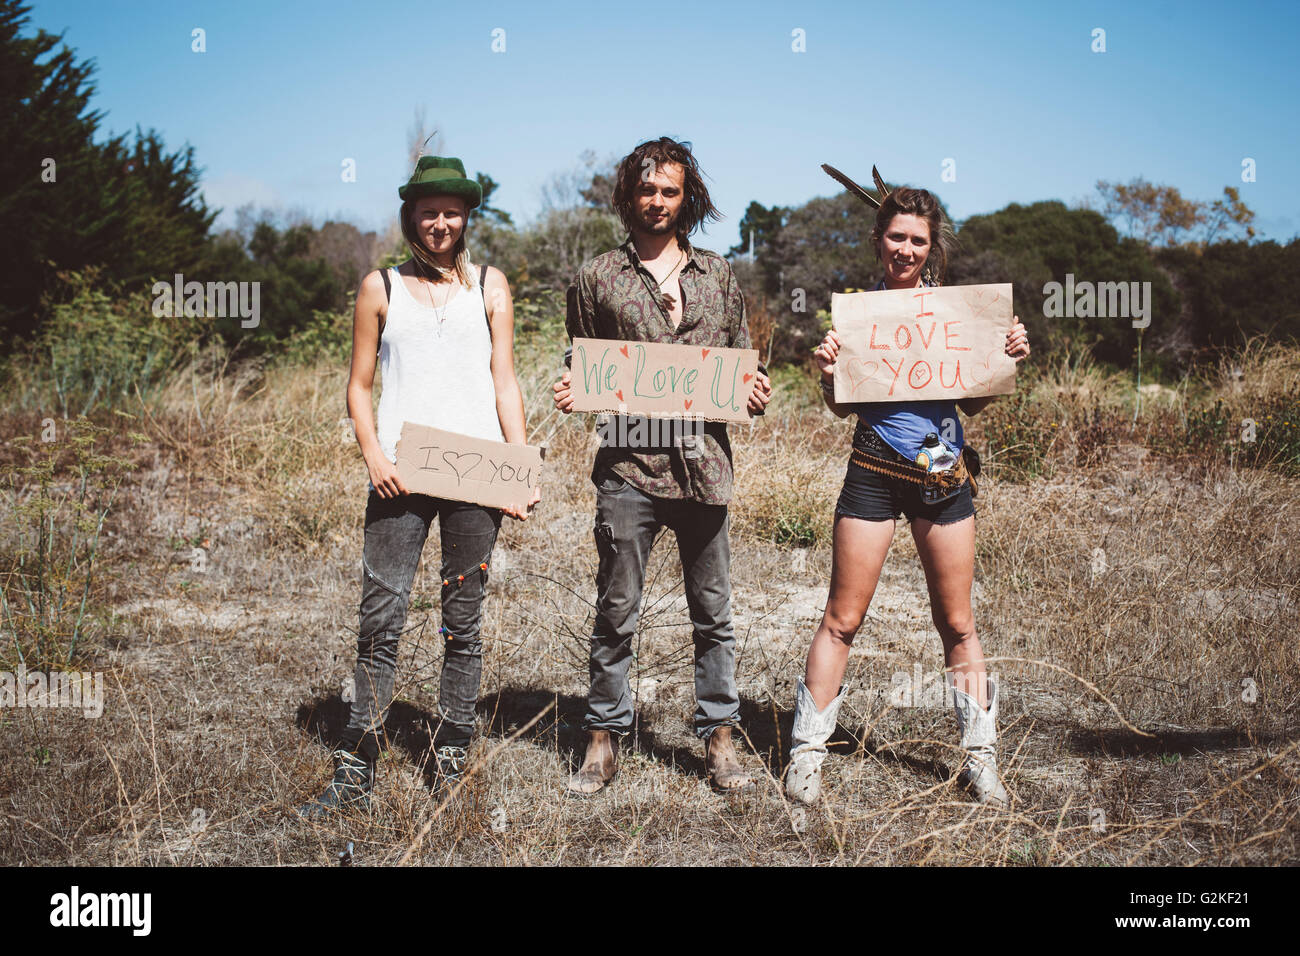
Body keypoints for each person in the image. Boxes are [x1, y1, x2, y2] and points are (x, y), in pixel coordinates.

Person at [300, 156, 539, 818]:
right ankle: (356, 767)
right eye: (429, 210)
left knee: (463, 622)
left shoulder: (492, 286)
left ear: (468, 218)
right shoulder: (380, 286)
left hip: (474, 475)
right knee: (380, 618)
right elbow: (358, 385)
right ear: (411, 216)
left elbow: (504, 381)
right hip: (400, 476)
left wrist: (517, 467)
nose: (440, 222)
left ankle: (451, 756)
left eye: (452, 211)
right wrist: (373, 454)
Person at [784, 178, 1030, 808]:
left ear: (931, 246)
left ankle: (981, 761)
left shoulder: (957, 313)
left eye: (917, 239)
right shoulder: (859, 313)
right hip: (873, 463)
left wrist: (1006, 357)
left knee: (957, 621)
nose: (906, 248)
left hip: (942, 463)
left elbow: (971, 394)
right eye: (896, 236)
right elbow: (841, 410)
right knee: (842, 619)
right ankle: (805, 755)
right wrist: (830, 372)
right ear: (879, 239)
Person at [552, 137, 773, 795]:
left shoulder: (718, 274)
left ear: (687, 198)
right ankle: (600, 741)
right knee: (617, 608)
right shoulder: (598, 277)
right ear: (629, 196)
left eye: (669, 191)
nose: (657, 201)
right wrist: (573, 385)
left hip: (705, 466)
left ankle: (721, 741)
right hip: (629, 466)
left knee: (713, 612)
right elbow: (584, 358)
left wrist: (756, 390)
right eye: (646, 190)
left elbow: (741, 361)